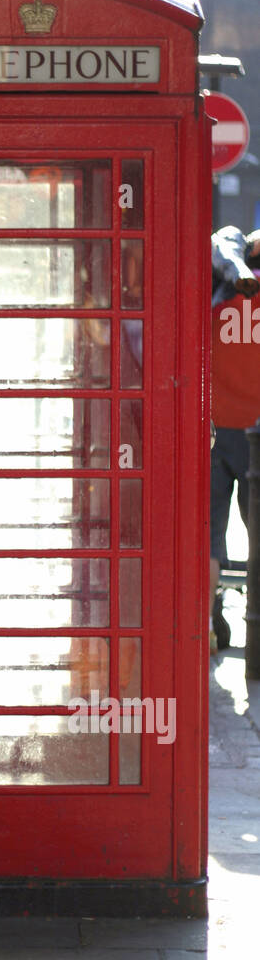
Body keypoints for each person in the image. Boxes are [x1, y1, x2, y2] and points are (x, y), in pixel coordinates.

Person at [209, 226, 260, 652]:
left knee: (210, 535)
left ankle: (209, 621)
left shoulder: (215, 296)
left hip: (213, 429)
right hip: (256, 435)